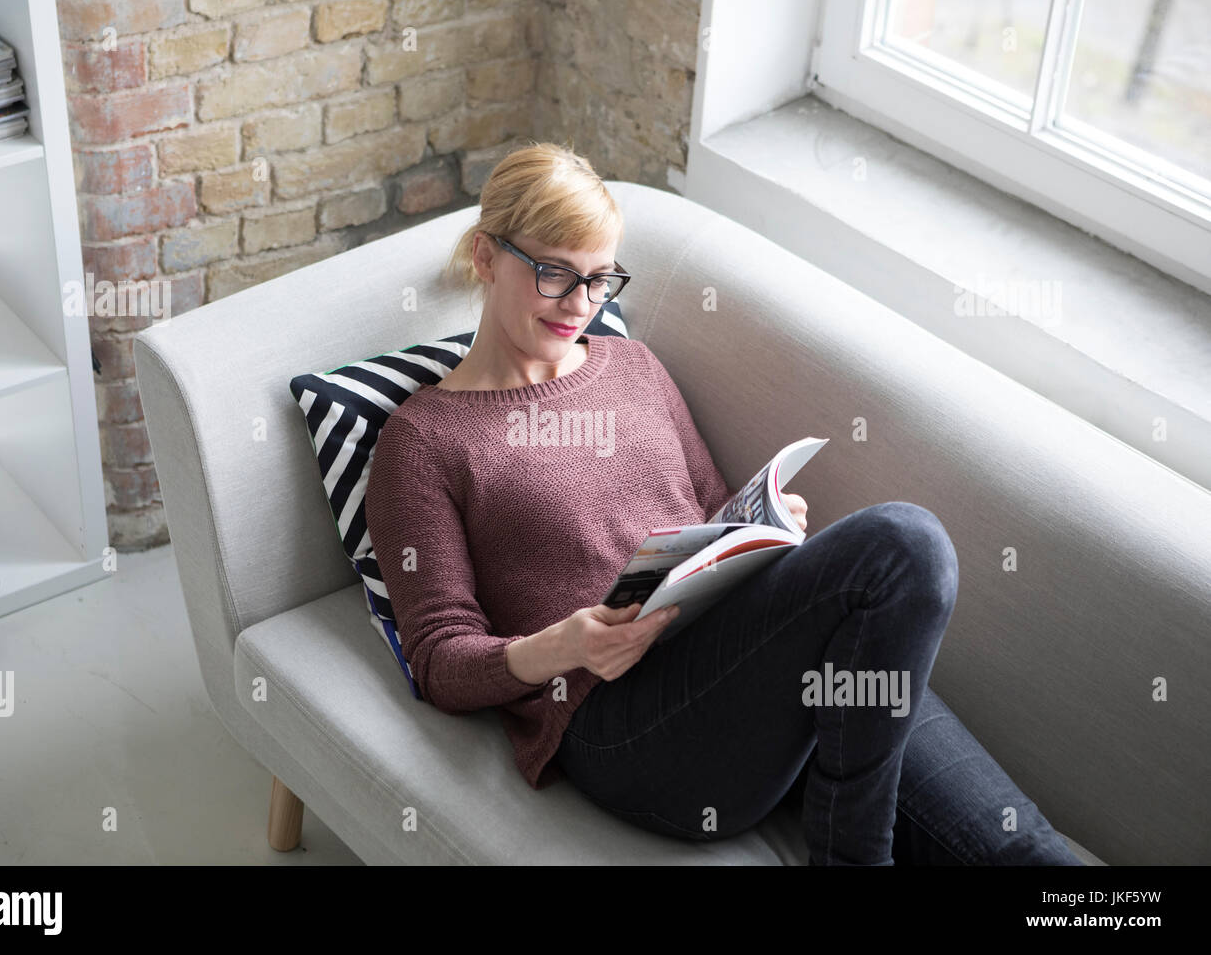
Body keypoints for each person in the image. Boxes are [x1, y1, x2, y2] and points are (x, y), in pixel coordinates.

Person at [364, 142, 1083, 865]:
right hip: (622, 723)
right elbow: (441, 660)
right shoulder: (423, 441)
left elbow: (710, 509)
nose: (580, 305)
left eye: (599, 280)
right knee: (904, 546)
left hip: (744, 664)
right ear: (487, 257)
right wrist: (566, 644)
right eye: (554, 274)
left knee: (1030, 855)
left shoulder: (633, 367)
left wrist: (765, 531)